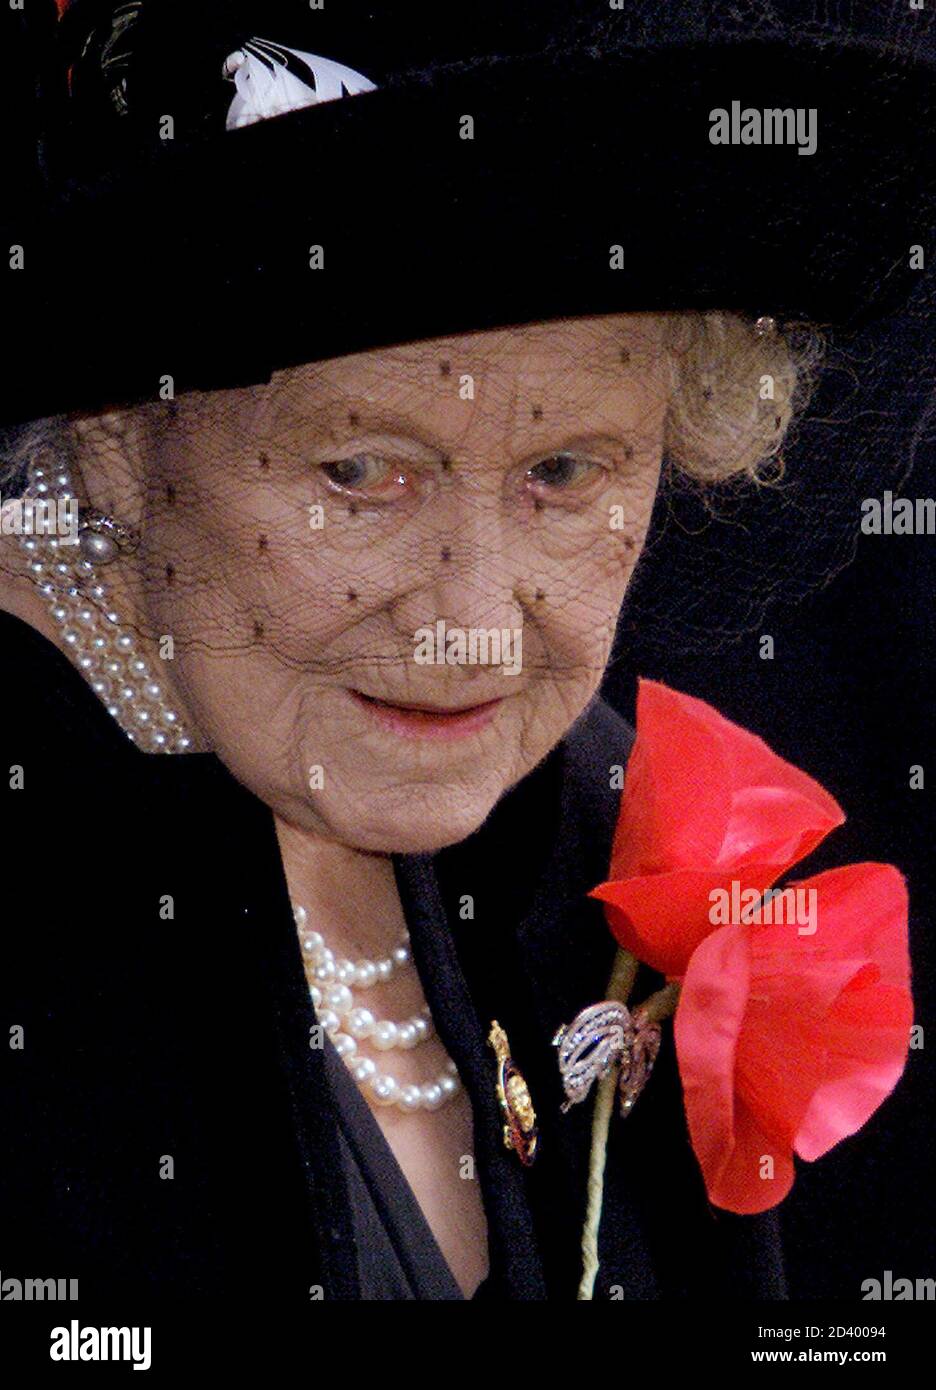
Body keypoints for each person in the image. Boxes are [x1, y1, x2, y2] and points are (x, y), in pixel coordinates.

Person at [0, 0, 931, 1304]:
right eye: (364, 470)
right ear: (115, 426)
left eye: (563, 469)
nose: (475, 621)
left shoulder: (590, 836)